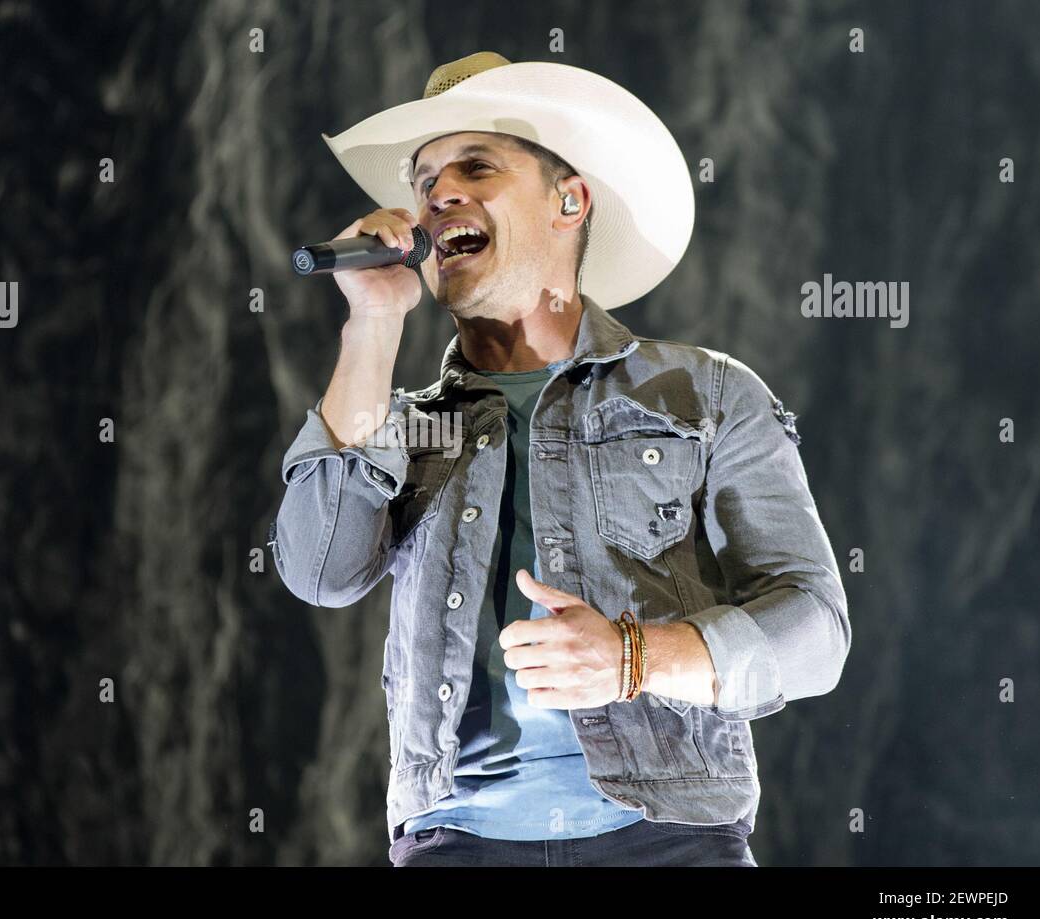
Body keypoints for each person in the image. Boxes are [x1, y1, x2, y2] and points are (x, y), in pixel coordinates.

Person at [268, 52, 851, 866]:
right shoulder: (402, 429)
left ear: (569, 200)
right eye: (425, 178)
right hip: (454, 843)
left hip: (671, 841)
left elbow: (816, 631)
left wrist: (635, 657)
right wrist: (373, 323)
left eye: (477, 165)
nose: (440, 194)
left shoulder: (708, 395)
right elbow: (317, 570)